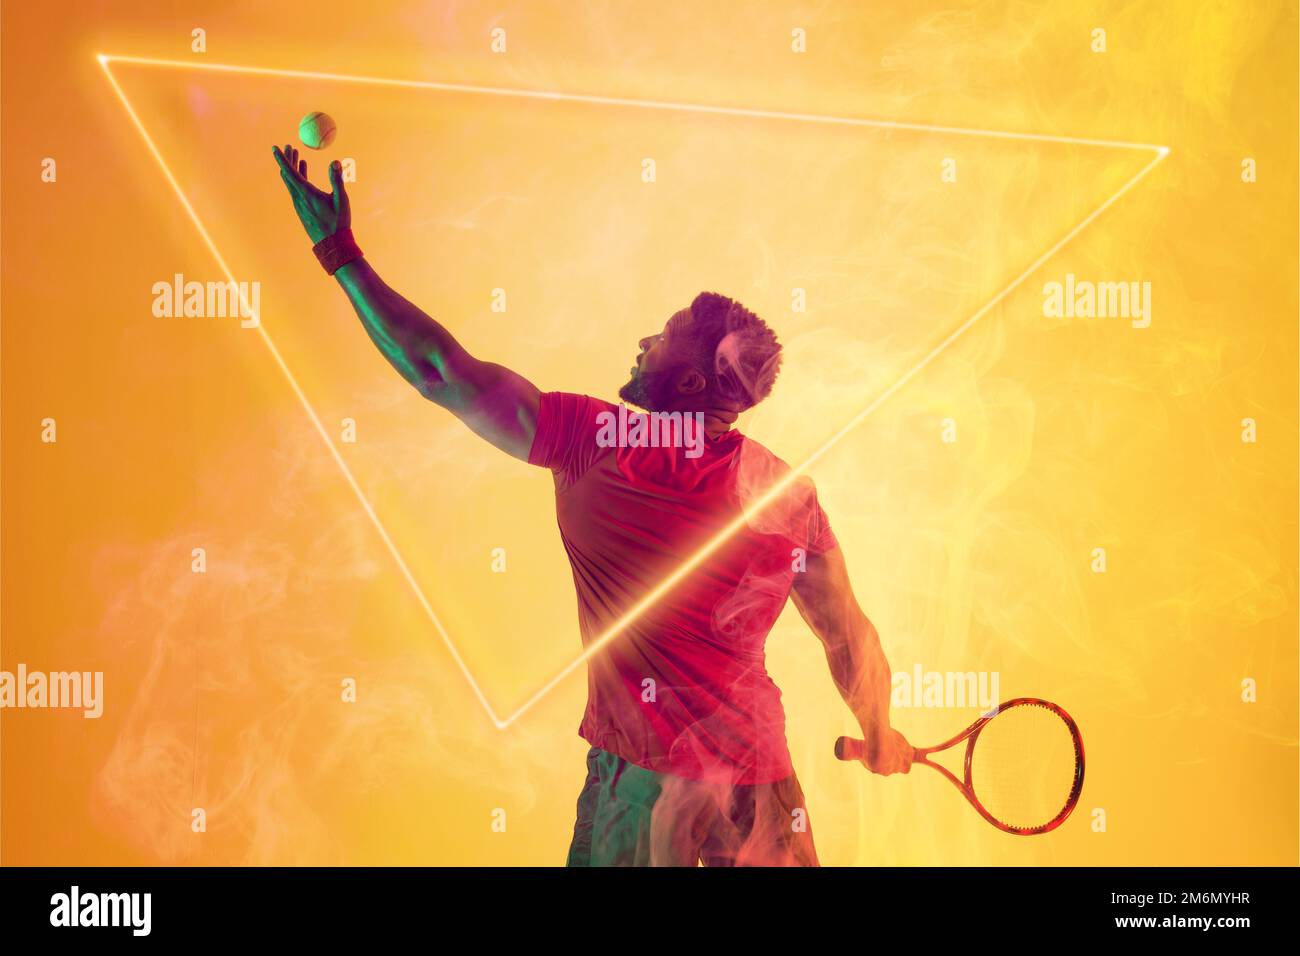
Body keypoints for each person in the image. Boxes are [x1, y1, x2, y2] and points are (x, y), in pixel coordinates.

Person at [272, 144, 913, 866]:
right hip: (757, 784)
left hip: (642, 780)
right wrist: (880, 727)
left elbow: (438, 370)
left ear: (694, 385)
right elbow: (847, 633)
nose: (643, 343)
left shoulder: (592, 439)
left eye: (662, 340)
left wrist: (341, 256)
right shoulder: (785, 492)